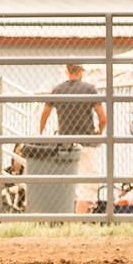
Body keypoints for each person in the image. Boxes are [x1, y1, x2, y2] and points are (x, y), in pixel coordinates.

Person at [39, 64, 107, 214]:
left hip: (65, 144)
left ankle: (71, 214)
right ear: (80, 71)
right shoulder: (89, 89)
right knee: (88, 184)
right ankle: (80, 218)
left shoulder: (57, 90)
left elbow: (44, 115)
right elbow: (103, 118)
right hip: (86, 142)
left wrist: (41, 133)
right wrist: (99, 132)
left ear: (66, 71)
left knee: (69, 183)